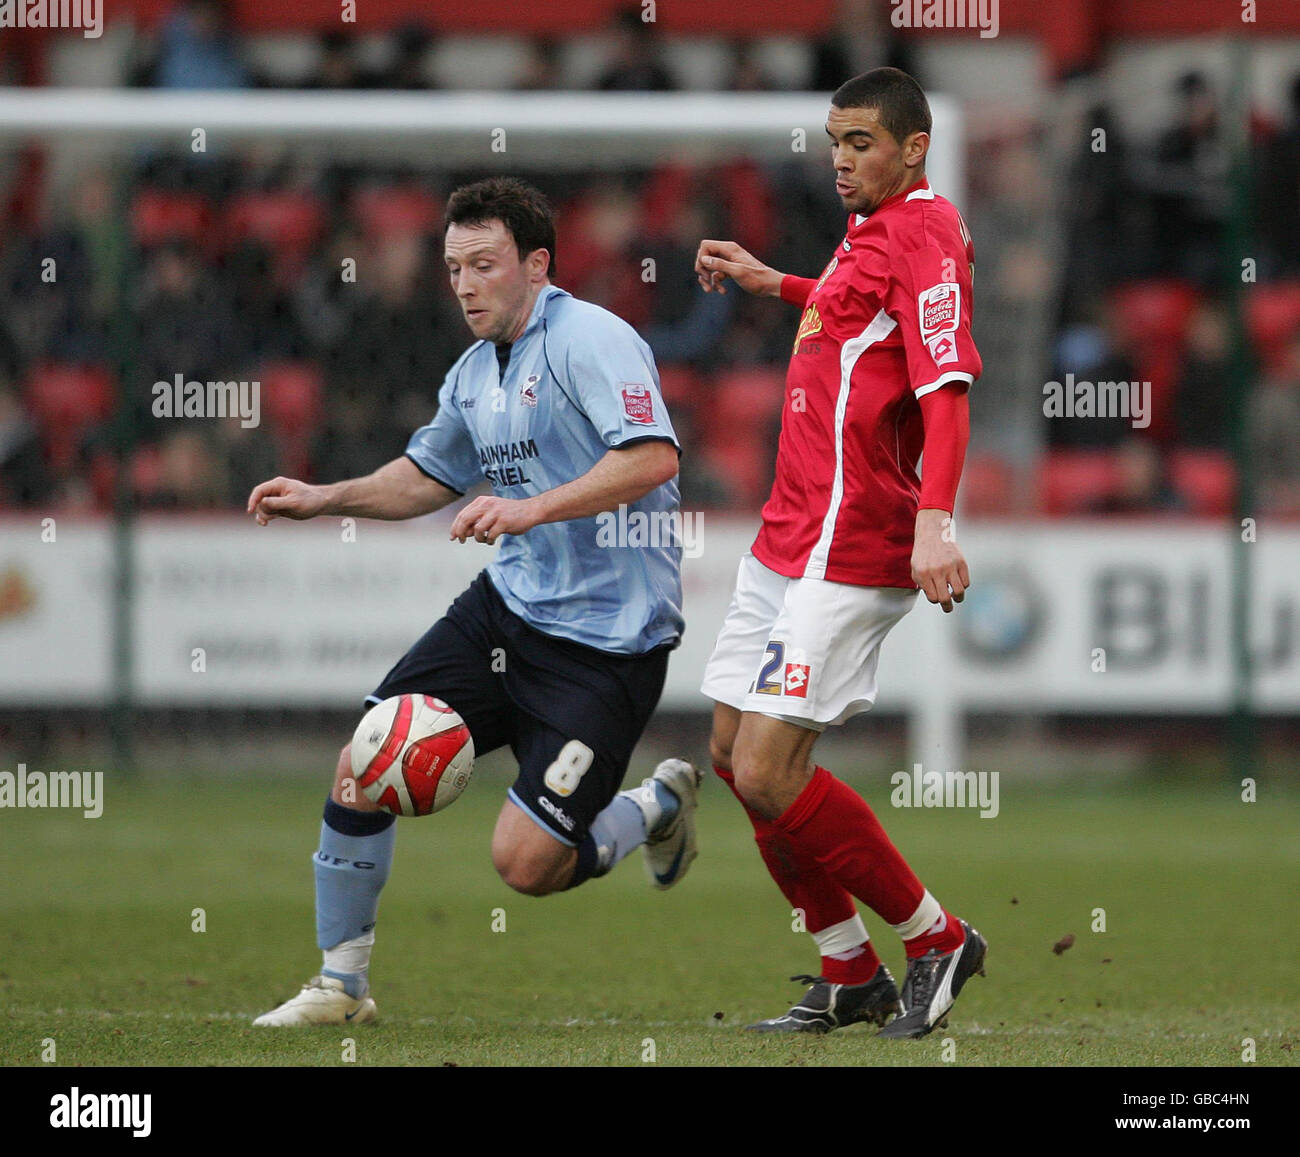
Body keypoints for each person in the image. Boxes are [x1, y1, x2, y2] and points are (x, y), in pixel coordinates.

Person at [248, 177, 700, 1026]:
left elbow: (651, 459)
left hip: (608, 646)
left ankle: (652, 806)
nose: (464, 284)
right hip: (506, 612)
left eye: (484, 264)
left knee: (525, 864)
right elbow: (427, 477)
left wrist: (529, 506)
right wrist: (324, 496)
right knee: (362, 759)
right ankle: (342, 983)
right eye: (454, 267)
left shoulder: (590, 340)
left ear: (536, 265)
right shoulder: (471, 373)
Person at [694, 67, 986, 1038]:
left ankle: (935, 935)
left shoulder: (928, 232)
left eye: (860, 142)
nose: (841, 160)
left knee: (775, 769)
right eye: (833, 142)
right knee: (734, 755)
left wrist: (934, 521)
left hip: (851, 537)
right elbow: (858, 312)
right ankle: (846, 965)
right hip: (787, 528)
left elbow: (945, 384)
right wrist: (767, 278)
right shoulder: (871, 229)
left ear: (913, 147)